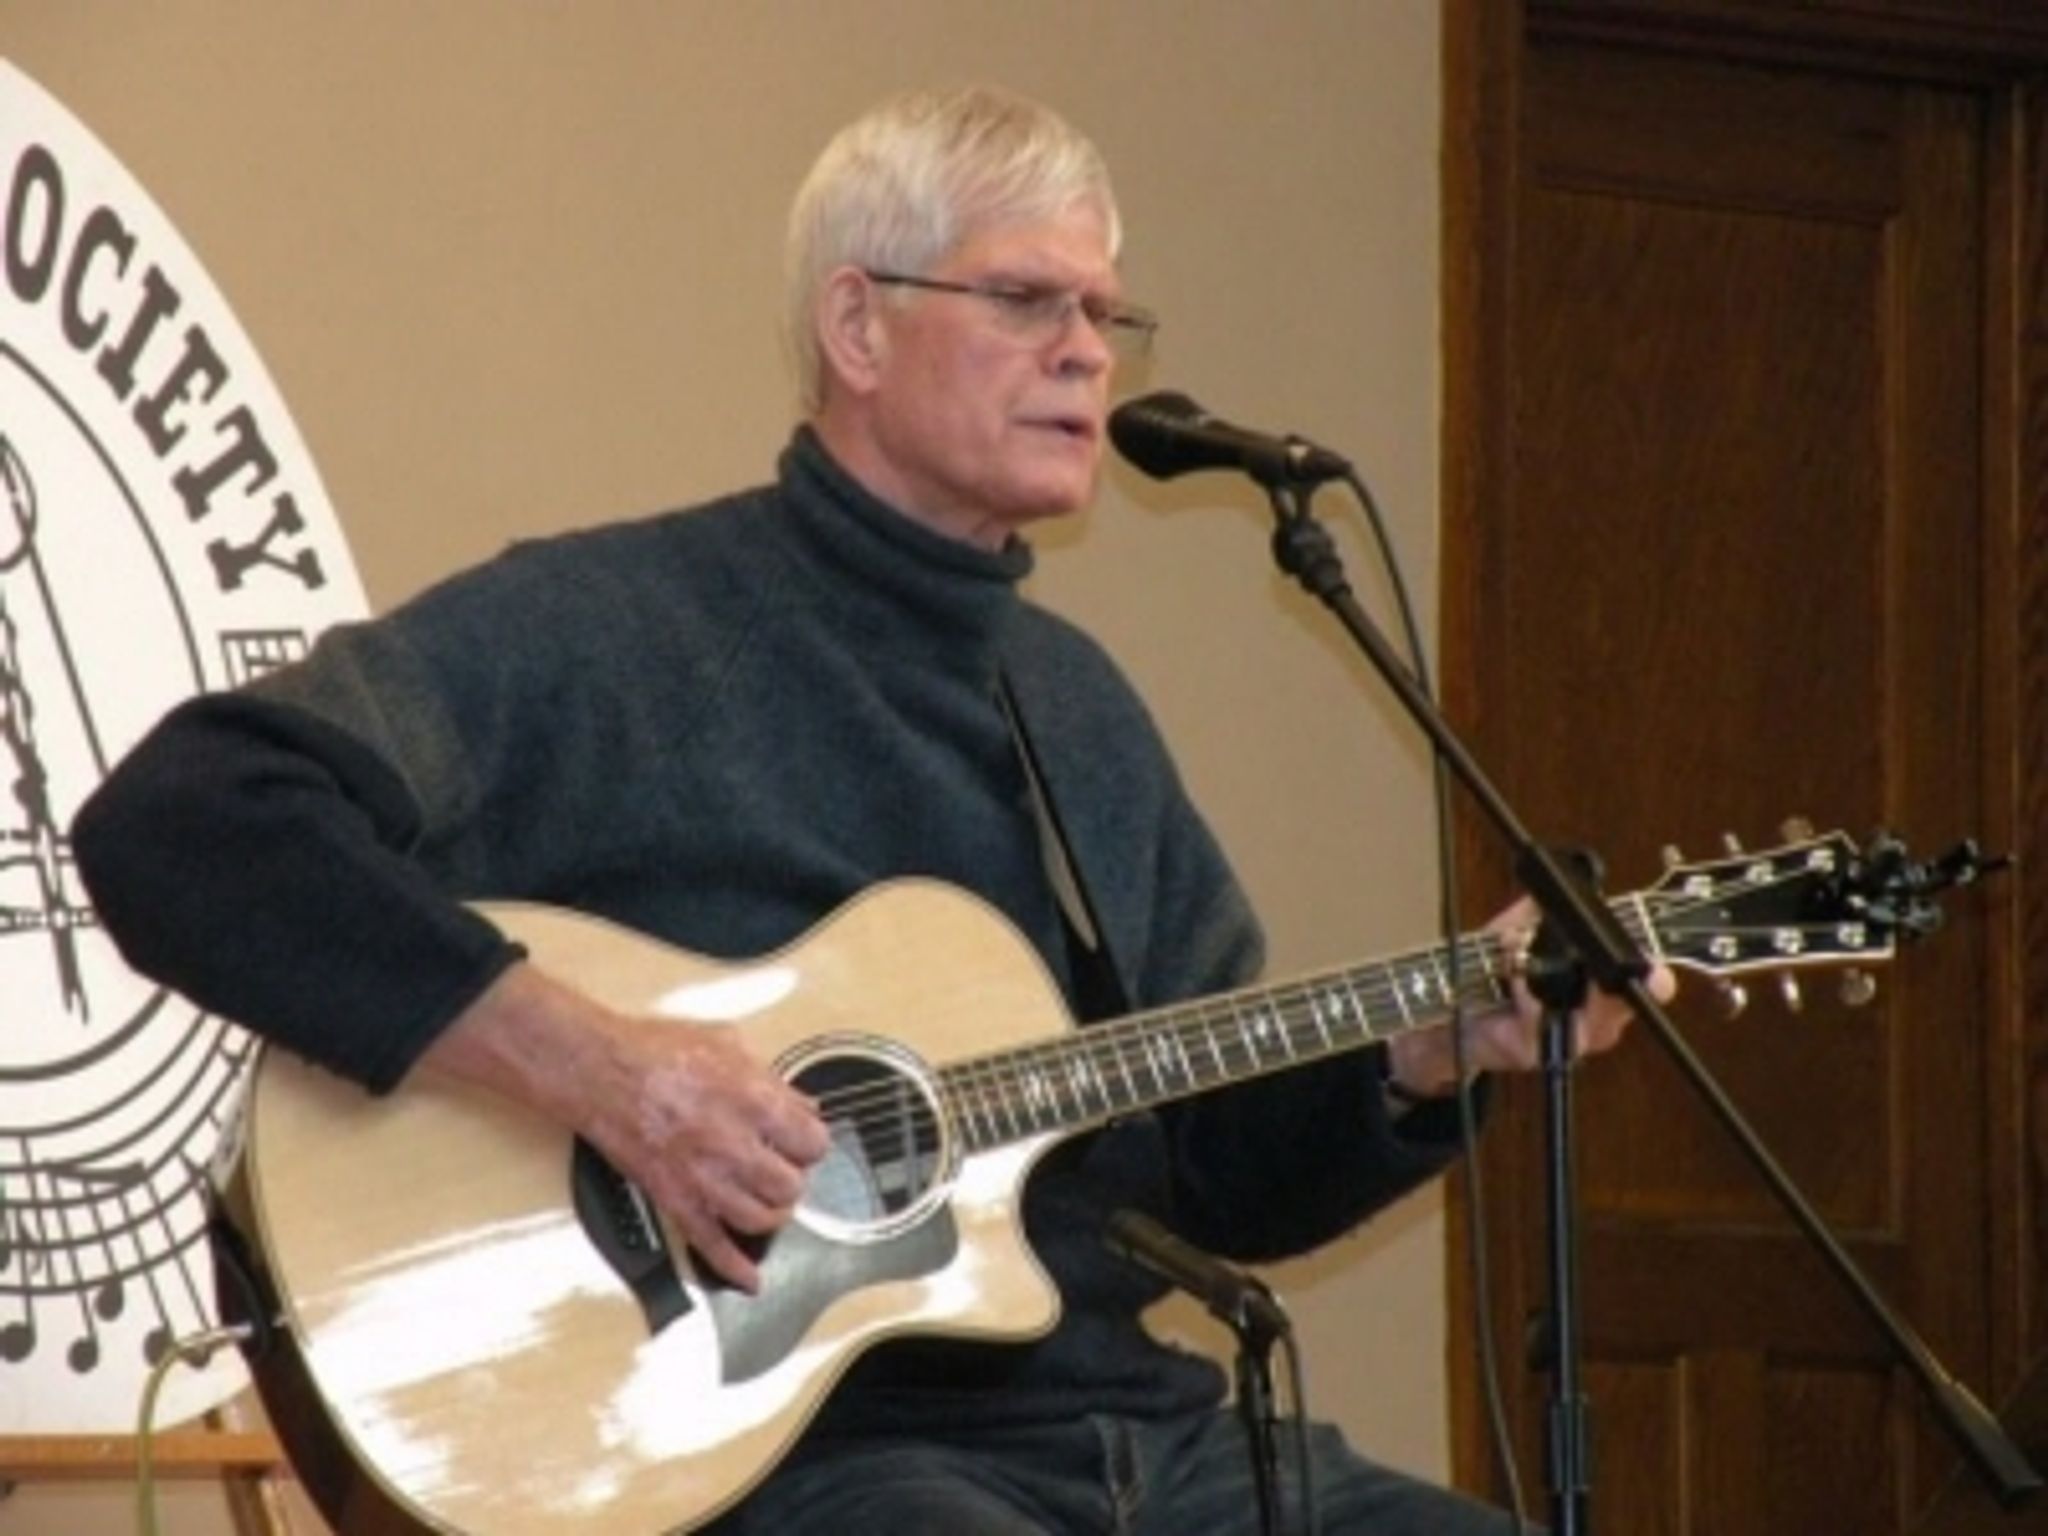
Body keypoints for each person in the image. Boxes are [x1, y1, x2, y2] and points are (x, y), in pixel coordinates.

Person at [73, 84, 1659, 1535]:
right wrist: (612, 1075)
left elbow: (1214, 1177)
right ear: (856, 325)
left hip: (1144, 1445)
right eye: (1028, 300)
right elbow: (188, 820)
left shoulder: (1078, 707)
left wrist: (1430, 1055)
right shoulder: (610, 631)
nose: (1089, 353)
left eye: (1105, 313)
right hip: (790, 1461)